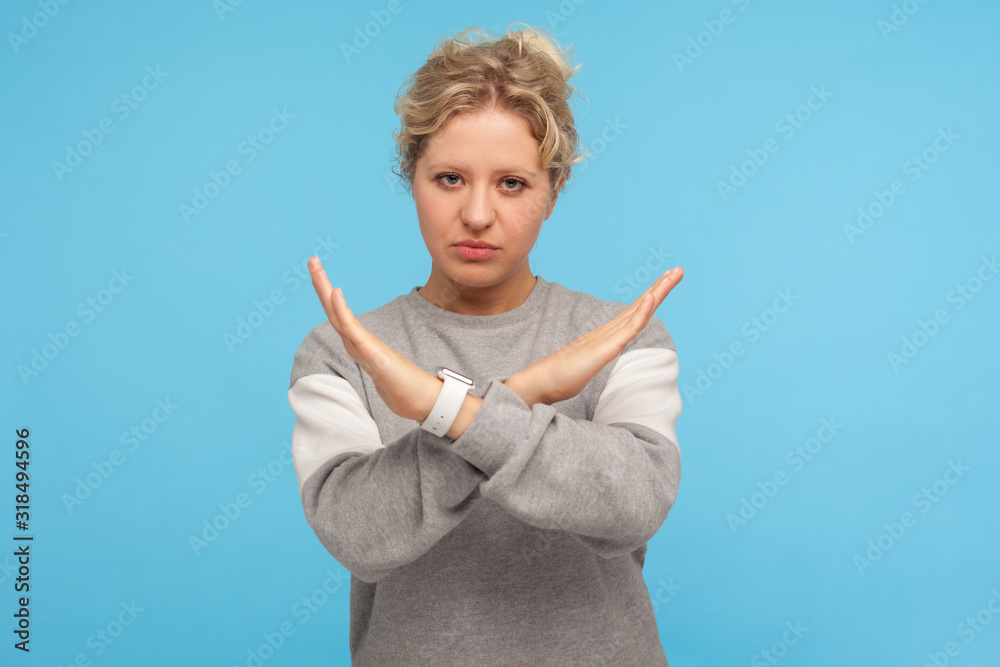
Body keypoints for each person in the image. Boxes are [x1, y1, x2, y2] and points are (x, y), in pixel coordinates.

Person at [287, 23, 684, 665]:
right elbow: (356, 533)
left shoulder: (620, 339)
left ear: (554, 190)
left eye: (512, 183)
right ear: (411, 177)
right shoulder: (343, 353)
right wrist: (524, 393)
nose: (476, 214)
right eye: (449, 178)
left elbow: (635, 504)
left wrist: (442, 408)